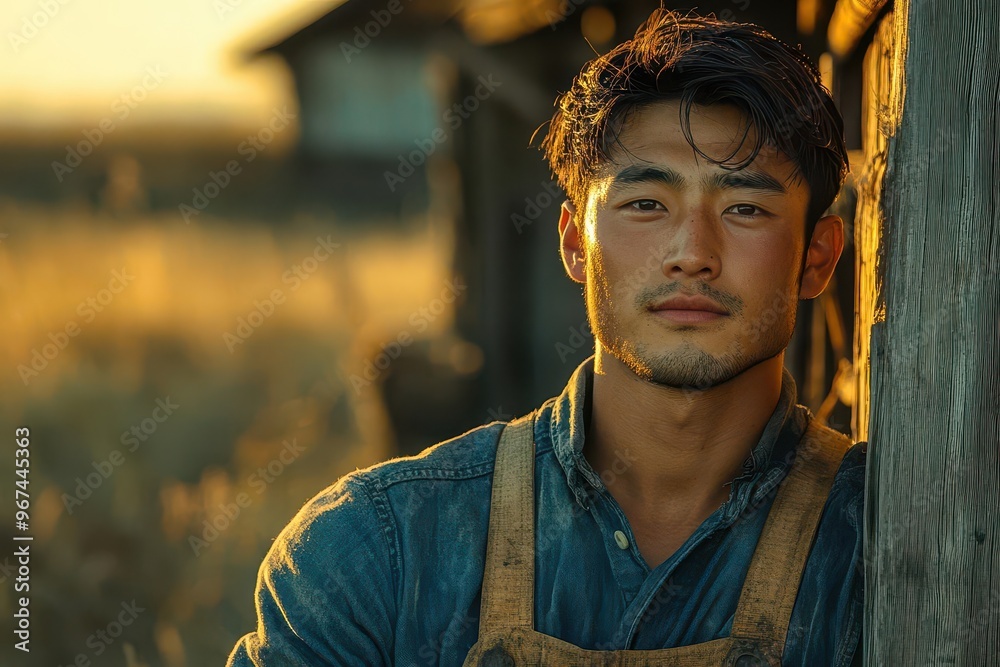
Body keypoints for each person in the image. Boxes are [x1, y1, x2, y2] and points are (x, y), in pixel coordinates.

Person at [228, 6, 865, 666]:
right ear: (574, 245)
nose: (692, 253)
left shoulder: (888, 551)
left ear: (817, 256)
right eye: (646, 204)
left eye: (744, 208)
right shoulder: (379, 553)